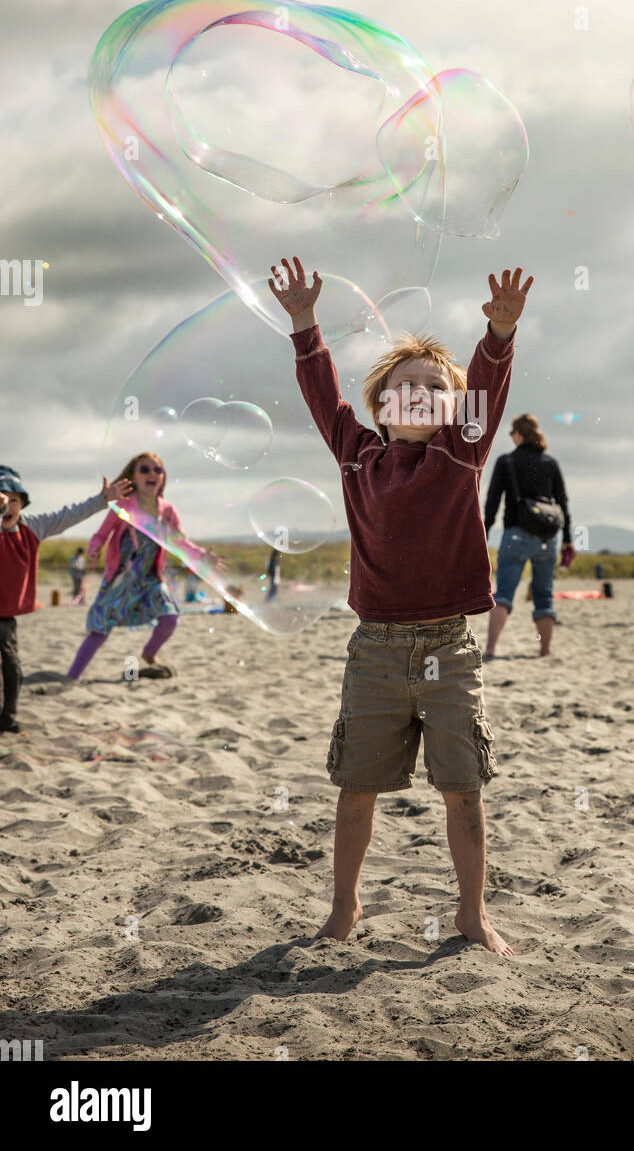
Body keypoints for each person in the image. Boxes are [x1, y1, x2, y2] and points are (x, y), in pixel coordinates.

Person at [269, 254, 533, 956]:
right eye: (404, 388)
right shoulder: (356, 454)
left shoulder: (461, 453)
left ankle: (471, 915)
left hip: (449, 648)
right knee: (356, 787)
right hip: (375, 651)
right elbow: (325, 396)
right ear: (382, 406)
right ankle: (343, 910)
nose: (420, 395)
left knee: (464, 789)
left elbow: (486, 391)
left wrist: (497, 340)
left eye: (435, 390)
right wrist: (304, 321)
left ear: (454, 411)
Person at [0, 465, 134, 733]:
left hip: (5, 615)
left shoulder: (33, 527)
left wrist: (102, 499)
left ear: (22, 504)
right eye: (2, 499)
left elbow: (68, 515)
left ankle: (9, 717)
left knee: (12, 665)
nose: (8, 506)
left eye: (13, 500)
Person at [66, 453, 221, 681]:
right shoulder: (123, 506)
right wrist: (94, 549)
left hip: (151, 579)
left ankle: (149, 654)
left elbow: (179, 541)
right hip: (122, 578)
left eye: (158, 470)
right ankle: (71, 676)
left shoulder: (167, 510)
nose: (152, 474)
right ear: (133, 477)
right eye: (145, 470)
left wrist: (202, 555)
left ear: (163, 477)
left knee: (170, 618)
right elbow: (100, 534)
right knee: (99, 630)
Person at [482, 415, 574, 659]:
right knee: (544, 596)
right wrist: (568, 539)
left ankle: (491, 648)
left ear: (518, 435)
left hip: (515, 534)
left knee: (502, 595)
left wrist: (484, 534)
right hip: (548, 536)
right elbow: (563, 503)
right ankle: (545, 650)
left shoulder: (506, 461)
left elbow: (492, 502)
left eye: (513, 433)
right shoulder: (550, 463)